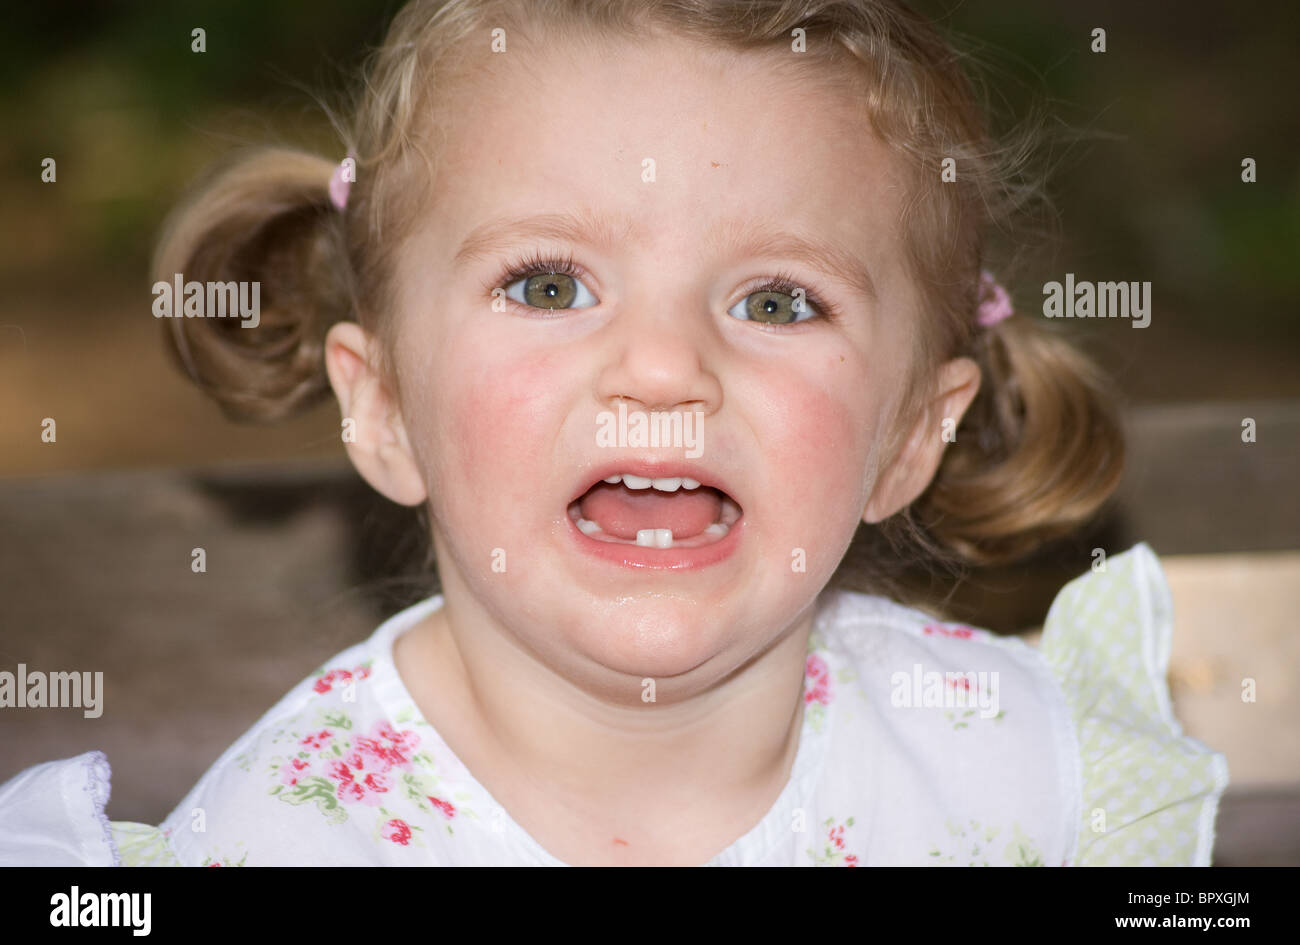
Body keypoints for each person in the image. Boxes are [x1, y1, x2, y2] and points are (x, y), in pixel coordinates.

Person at [0, 0, 1226, 866]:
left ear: (912, 434)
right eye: (547, 284)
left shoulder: (1022, 771)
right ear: (381, 407)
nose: (662, 364)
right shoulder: (289, 834)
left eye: (776, 300)